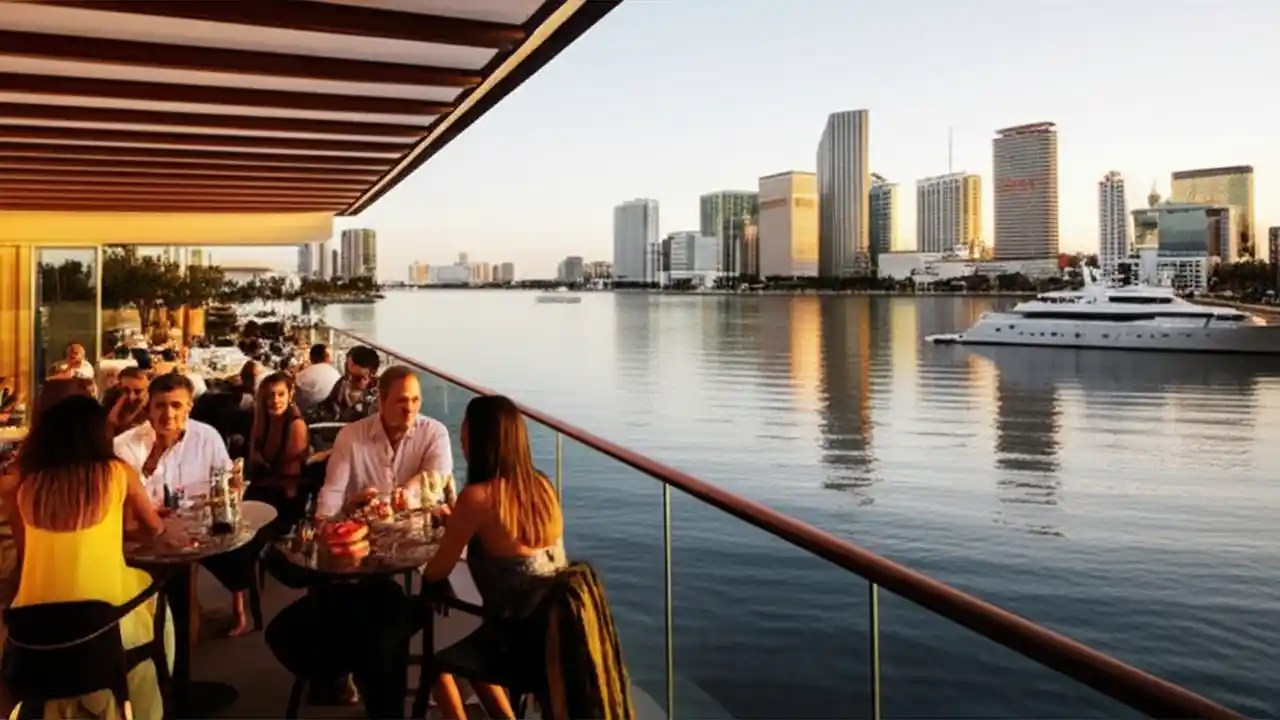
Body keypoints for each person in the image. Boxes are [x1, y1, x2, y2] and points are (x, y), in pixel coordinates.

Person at [8, 394, 172, 720]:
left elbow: (30, 555)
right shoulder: (116, 472)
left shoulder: (26, 487)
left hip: (31, 633)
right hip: (103, 625)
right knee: (158, 605)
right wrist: (123, 533)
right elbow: (154, 530)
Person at [421, 395, 567, 720]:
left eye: (465, 427)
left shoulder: (478, 497)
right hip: (558, 635)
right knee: (475, 648)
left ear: (478, 437)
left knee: (433, 663)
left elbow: (435, 572)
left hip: (516, 642)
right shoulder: (543, 486)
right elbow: (512, 539)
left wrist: (455, 527)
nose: (460, 435)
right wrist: (459, 524)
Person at [113, 374, 250, 636]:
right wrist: (155, 455)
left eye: (176, 405)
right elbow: (123, 504)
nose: (168, 414)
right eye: (160, 406)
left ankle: (232, 610)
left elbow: (227, 483)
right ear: (148, 408)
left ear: (189, 407)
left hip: (201, 527)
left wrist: (231, 488)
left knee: (234, 546)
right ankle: (169, 626)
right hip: (149, 534)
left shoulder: (207, 437)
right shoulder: (125, 446)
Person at [316, 366, 452, 518]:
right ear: (381, 401)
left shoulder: (435, 433)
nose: (409, 408)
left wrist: (405, 493)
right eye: (402, 400)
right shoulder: (350, 436)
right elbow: (333, 492)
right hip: (365, 533)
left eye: (415, 400)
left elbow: (436, 480)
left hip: (418, 531)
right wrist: (325, 523)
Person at [309, 345, 380, 424]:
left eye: (357, 378)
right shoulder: (342, 384)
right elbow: (326, 409)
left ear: (372, 374)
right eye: (347, 373)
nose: (349, 380)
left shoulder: (380, 393)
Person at [293, 344, 341, 414]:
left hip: (306, 416)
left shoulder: (303, 375)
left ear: (311, 358)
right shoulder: (336, 374)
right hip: (332, 415)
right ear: (327, 357)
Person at [105, 366, 149, 438]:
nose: (132, 397)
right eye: (126, 390)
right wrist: (111, 422)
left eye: (138, 391)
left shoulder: (154, 406)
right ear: (119, 387)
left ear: (146, 390)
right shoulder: (111, 399)